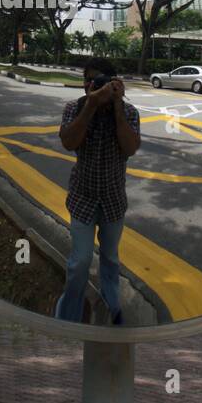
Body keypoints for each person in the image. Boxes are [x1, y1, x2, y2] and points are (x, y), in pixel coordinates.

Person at [54, 57, 141, 324]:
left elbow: (130, 148)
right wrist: (91, 105)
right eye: (90, 81)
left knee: (110, 259)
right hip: (83, 197)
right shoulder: (75, 108)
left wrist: (116, 106)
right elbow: (69, 142)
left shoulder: (128, 112)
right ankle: (68, 314)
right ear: (84, 85)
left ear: (115, 84)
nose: (94, 85)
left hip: (114, 199)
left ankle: (112, 305)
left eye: (101, 80)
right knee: (79, 262)